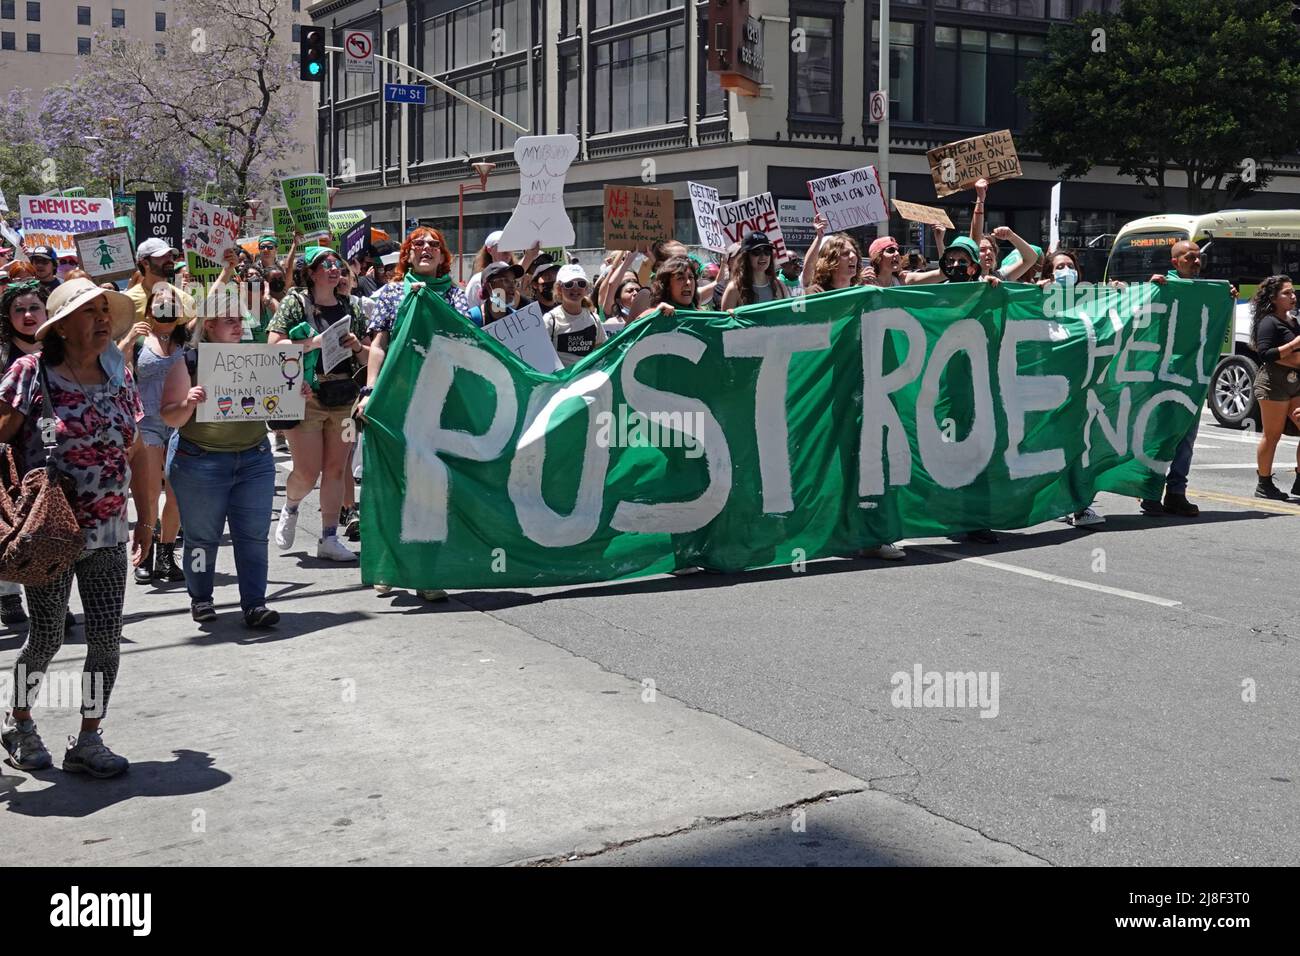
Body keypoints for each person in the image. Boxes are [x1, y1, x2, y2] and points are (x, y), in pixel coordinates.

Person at [0, 277, 144, 778]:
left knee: (106, 639)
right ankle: (19, 721)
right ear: (61, 325)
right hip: (49, 537)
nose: (103, 319)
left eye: (107, 310)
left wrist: (146, 519)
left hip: (108, 532)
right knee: (45, 637)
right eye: (90, 312)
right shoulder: (29, 374)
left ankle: (88, 737)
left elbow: (138, 447)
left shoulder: (119, 374)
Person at [160, 295, 282, 627]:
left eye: (241, 320)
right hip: (201, 461)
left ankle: (255, 604)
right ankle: (201, 598)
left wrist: (293, 396)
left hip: (254, 459)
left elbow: (279, 413)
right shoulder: (187, 360)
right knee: (201, 538)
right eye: (230, 320)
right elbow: (170, 417)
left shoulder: (257, 359)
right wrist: (189, 402)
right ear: (209, 325)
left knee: (254, 537)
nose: (239, 326)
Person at [268, 247, 370, 562]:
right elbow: (273, 345)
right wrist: (310, 343)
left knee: (337, 469)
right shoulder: (295, 303)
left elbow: (370, 357)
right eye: (324, 264)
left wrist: (357, 346)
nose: (333, 268)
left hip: (343, 398)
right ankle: (292, 504)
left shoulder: (353, 306)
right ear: (311, 273)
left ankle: (328, 538)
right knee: (307, 471)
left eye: (336, 263)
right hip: (307, 397)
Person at [1142, 240, 1235, 517]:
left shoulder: (1206, 292)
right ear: (1175, 262)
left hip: (1193, 377)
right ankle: (1149, 492)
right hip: (1161, 375)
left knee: (1186, 438)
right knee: (1160, 436)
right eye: (1189, 257)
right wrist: (1150, 288)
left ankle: (1176, 493)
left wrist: (1226, 295)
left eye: (1198, 259)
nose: (1196, 262)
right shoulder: (1161, 286)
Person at [123, 280, 192, 585]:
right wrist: (126, 341)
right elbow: (114, 369)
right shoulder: (139, 340)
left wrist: (228, 271)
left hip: (179, 421)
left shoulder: (187, 339)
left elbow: (215, 300)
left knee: (176, 494)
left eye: (170, 302)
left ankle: (166, 554)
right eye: (159, 301)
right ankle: (145, 552)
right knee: (150, 493)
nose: (165, 306)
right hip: (147, 423)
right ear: (149, 307)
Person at [0, 279, 49, 626]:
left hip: (50, 459)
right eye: (19, 310)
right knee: (11, 527)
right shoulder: (4, 356)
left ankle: (50, 600)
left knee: (48, 530)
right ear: (7, 317)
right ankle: (7, 594)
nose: (28, 315)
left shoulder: (63, 351)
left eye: (34, 308)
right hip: (10, 458)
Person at [1246, 275, 1300, 500]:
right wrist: (1295, 344)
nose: (1293, 296)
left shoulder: (1292, 320)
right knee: (1272, 435)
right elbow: (1265, 354)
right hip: (1273, 383)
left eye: (1293, 292)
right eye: (1286, 293)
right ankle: (1264, 483)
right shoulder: (1269, 321)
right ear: (1274, 298)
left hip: (1295, 380)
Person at [123, 238, 196, 329]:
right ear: (146, 263)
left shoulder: (184, 299)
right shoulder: (128, 302)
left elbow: (185, 335)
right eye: (162, 256)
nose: (169, 260)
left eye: (170, 255)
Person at [544, 263, 607, 365]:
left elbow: (601, 350)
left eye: (581, 284)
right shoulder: (550, 320)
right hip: (562, 380)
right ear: (559, 289)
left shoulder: (594, 319)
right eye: (569, 284)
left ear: (586, 289)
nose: (575, 288)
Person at [721, 231, 790, 308]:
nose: (763, 256)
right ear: (746, 256)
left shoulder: (780, 286)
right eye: (756, 252)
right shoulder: (734, 289)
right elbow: (726, 319)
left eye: (767, 251)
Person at [865, 236, 943, 287]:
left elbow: (942, 274)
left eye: (897, 250)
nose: (897, 254)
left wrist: (939, 240)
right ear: (877, 257)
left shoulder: (902, 280)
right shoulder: (865, 282)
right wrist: (859, 282)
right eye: (891, 250)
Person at [469, 260, 524, 327]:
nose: (512, 286)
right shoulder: (472, 319)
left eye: (513, 281)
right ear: (489, 286)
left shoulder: (518, 320)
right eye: (506, 280)